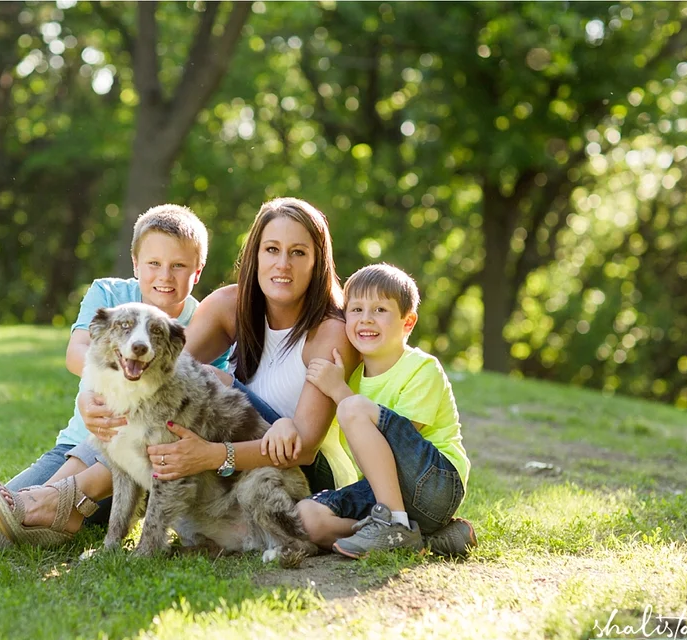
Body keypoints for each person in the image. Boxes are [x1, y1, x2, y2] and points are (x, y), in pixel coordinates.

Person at [0, 203, 224, 547]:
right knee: (0, 507)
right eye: (154, 263)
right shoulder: (110, 295)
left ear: (197, 272)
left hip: (133, 459)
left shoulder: (202, 324)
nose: (165, 276)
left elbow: (201, 402)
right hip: (77, 441)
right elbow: (76, 351)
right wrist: (94, 392)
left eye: (178, 266)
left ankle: (53, 507)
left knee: (23, 504)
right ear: (136, 265)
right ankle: (33, 515)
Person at [143, 197, 360, 493]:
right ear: (255, 254)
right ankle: (81, 491)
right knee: (175, 383)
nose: (282, 265)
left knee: (207, 378)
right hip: (240, 464)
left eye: (298, 253)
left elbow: (305, 448)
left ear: (316, 262)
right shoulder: (229, 306)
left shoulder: (331, 332)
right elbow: (160, 377)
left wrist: (211, 456)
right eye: (272, 249)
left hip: (312, 476)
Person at [296, 262, 476, 558]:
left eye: (380, 310)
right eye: (356, 310)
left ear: (408, 322)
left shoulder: (422, 368)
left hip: (435, 485)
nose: (366, 319)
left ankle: (394, 525)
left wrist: (339, 392)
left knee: (353, 408)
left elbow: (398, 445)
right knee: (306, 517)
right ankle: (422, 540)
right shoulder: (352, 378)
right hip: (383, 492)